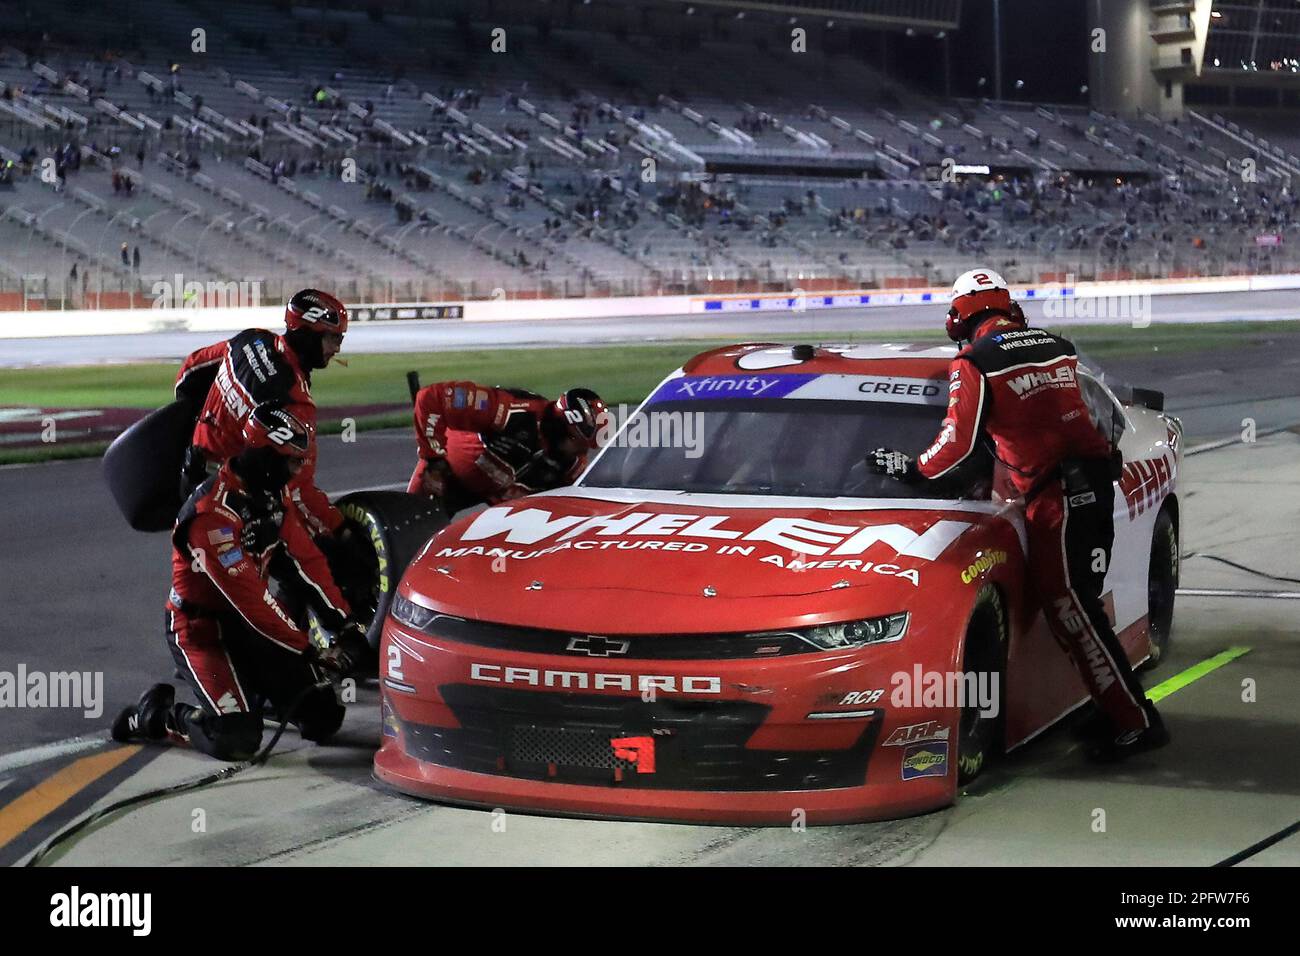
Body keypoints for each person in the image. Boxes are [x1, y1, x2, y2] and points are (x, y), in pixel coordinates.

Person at [867, 268, 1168, 763]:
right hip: (1092, 485)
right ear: (1006, 305)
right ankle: (1118, 708)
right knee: (1082, 610)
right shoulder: (1056, 344)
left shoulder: (975, 362)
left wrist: (914, 468)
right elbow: (1074, 412)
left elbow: (957, 444)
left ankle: (1135, 723)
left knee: (1074, 614)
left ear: (959, 316)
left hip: (1059, 499)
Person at [111, 404, 370, 761]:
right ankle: (157, 715)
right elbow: (250, 599)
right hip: (202, 631)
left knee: (323, 717)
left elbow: (305, 561)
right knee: (235, 738)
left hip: (251, 631)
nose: (298, 471)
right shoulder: (211, 516)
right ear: (266, 457)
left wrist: (344, 625)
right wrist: (308, 650)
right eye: (292, 461)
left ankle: (250, 693)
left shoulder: (272, 498)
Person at [174, 288, 348, 541]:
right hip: (230, 503)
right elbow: (299, 491)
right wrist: (340, 529)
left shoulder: (250, 340)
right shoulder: (295, 403)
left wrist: (194, 427)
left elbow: (190, 371)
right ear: (310, 334)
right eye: (334, 339)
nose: (337, 349)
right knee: (295, 564)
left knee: (194, 570)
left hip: (192, 473)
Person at [407, 383, 607, 513]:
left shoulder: (572, 464)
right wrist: (434, 460)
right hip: (446, 475)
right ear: (560, 425)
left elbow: (576, 508)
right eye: (577, 442)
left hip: (500, 501)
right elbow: (429, 398)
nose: (580, 452)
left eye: (585, 447)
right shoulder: (508, 409)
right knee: (410, 524)